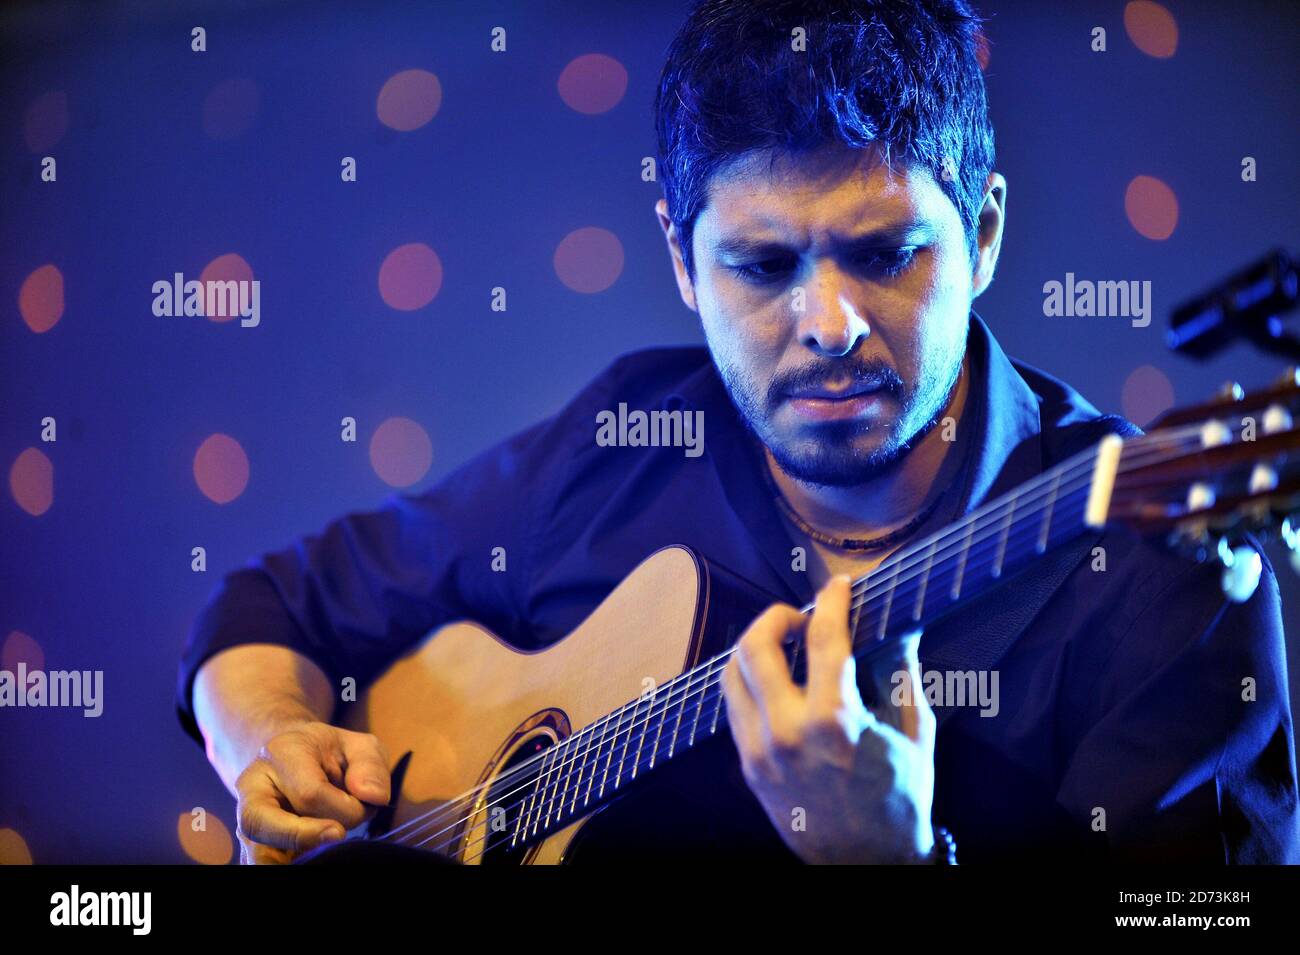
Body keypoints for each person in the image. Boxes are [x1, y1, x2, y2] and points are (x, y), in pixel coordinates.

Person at [176, 0, 1299, 864]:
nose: (826, 326)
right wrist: (269, 732)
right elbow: (271, 602)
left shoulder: (1172, 587)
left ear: (987, 232)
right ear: (680, 260)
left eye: (884, 252)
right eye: (762, 266)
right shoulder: (628, 433)